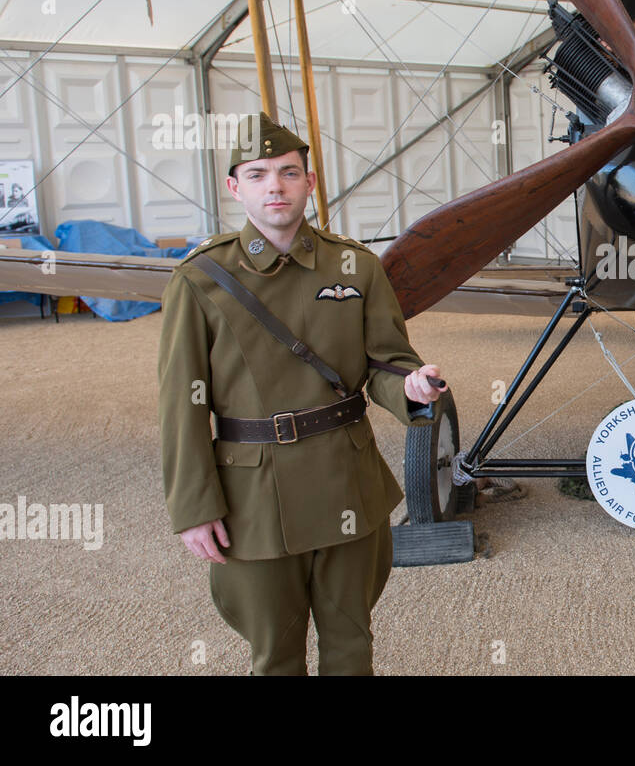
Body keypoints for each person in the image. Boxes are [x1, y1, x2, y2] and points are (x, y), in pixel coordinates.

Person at [158, 112, 446, 675]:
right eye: (259, 174)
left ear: (310, 183)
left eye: (289, 172)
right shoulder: (200, 279)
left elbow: (385, 363)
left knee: (350, 645)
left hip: (346, 478)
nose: (276, 186)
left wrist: (411, 389)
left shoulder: (355, 265)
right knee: (274, 655)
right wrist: (194, 507)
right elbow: (181, 406)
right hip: (253, 497)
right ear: (234, 187)